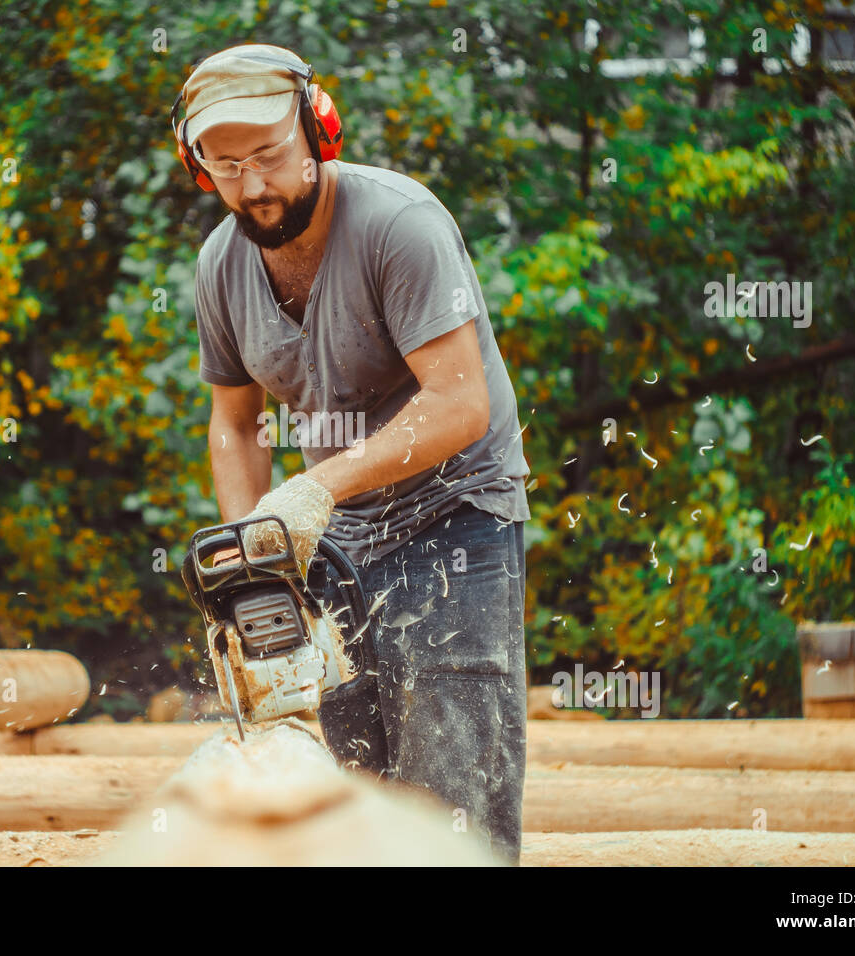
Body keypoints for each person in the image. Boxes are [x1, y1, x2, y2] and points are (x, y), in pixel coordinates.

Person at [174, 43, 531, 865]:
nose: (254, 186)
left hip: (456, 515)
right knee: (343, 779)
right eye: (228, 166)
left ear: (317, 129)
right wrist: (254, 557)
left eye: (269, 155)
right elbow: (236, 423)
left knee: (448, 788)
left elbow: (460, 404)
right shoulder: (220, 268)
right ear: (200, 169)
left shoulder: (399, 226)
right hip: (330, 541)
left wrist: (315, 487)